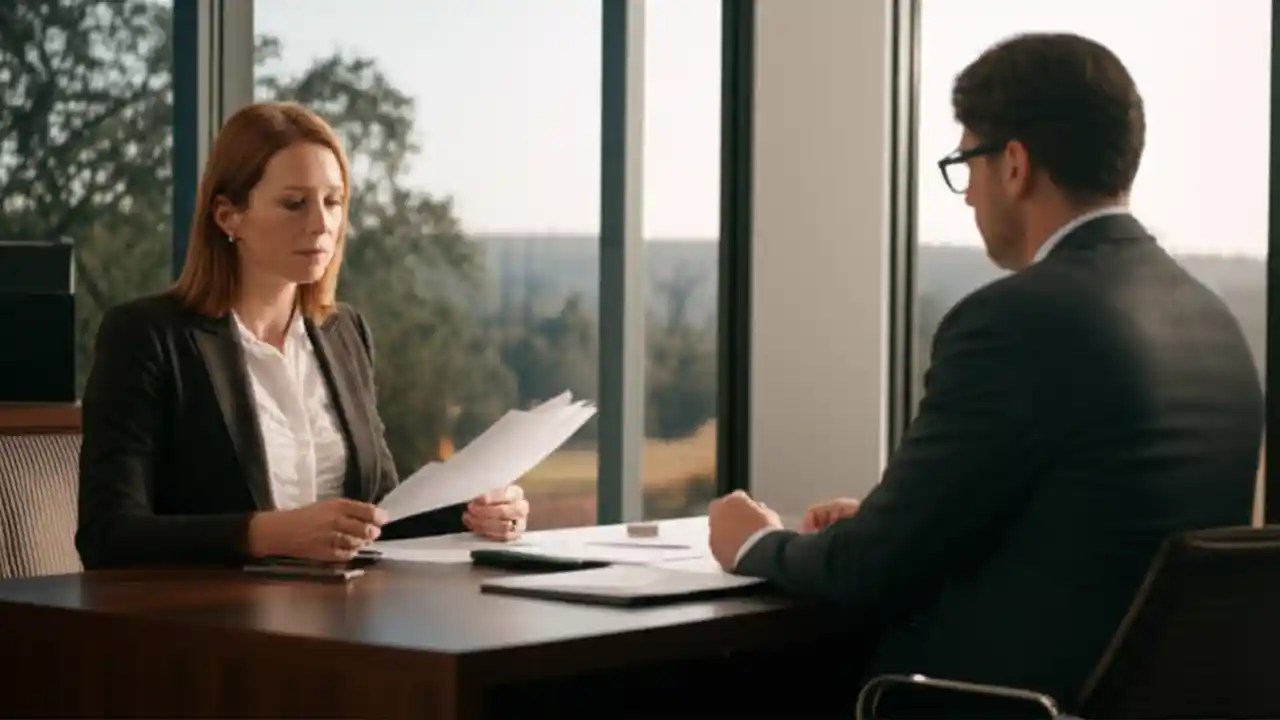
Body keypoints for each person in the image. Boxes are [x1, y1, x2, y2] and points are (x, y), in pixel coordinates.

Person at [708, 32, 1264, 710]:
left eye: (966, 162)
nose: (967, 195)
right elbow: (1098, 536)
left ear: (1014, 165)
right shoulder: (1217, 326)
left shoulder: (1013, 321)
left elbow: (868, 569)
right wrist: (905, 515)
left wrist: (756, 543)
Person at [76, 101, 529, 569]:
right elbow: (108, 533)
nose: (321, 223)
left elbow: (378, 514)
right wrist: (265, 534)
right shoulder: (147, 336)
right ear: (228, 216)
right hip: (212, 624)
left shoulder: (342, 331)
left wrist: (470, 513)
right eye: (295, 203)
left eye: (333, 201)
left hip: (346, 619)